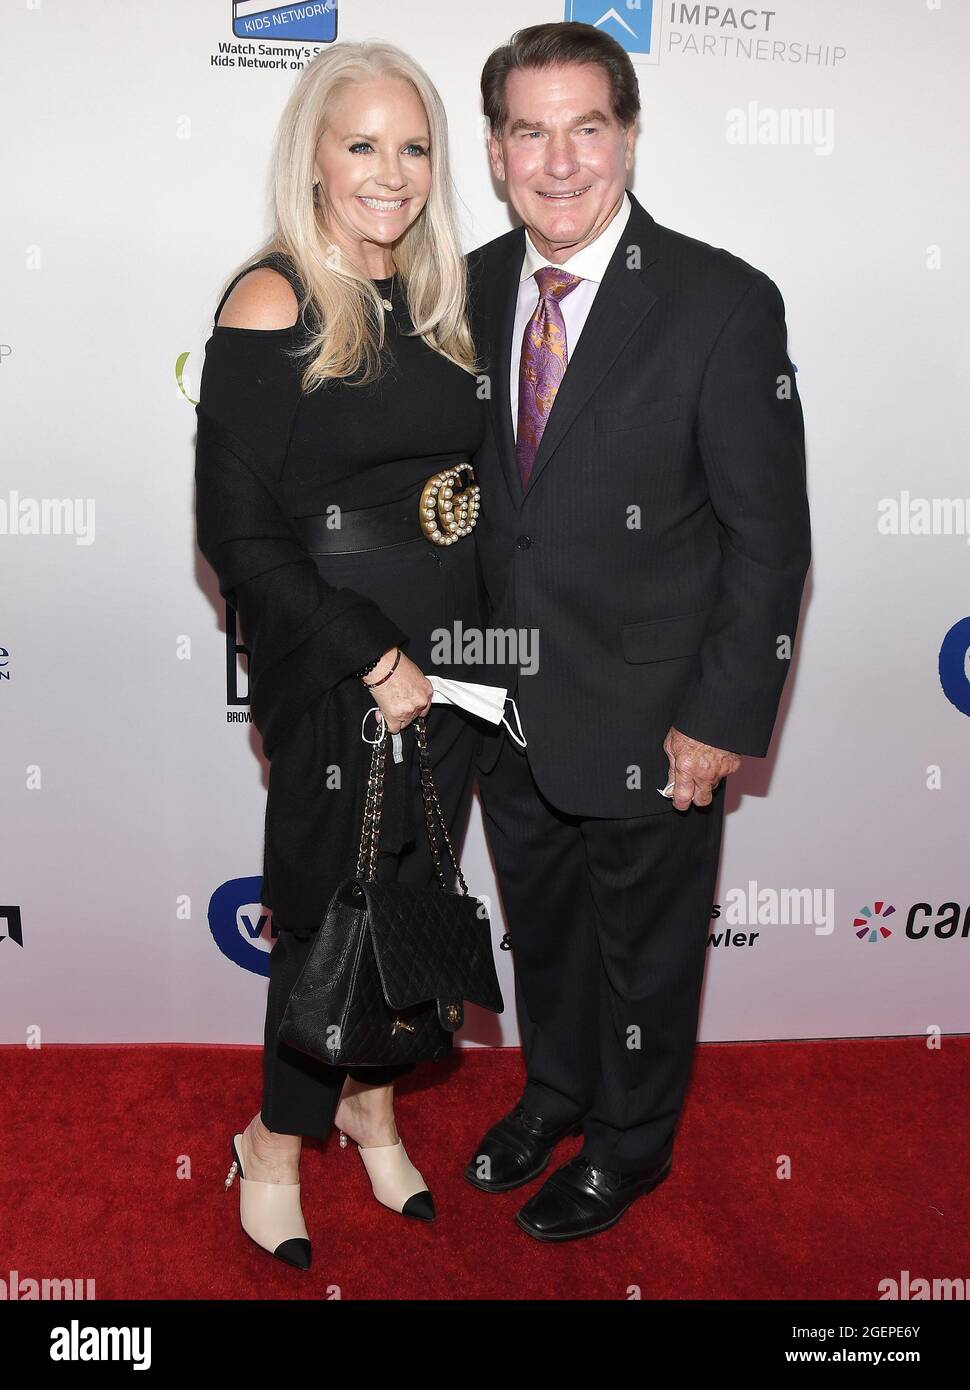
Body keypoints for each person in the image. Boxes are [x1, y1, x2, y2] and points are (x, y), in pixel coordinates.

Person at [464, 22, 812, 1241]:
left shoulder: (721, 302)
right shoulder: (463, 289)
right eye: (530, 132)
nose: (559, 161)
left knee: (645, 956)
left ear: (627, 137)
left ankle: (630, 1142)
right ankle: (555, 1093)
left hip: (656, 718)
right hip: (505, 704)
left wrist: (717, 719)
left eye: (587, 128)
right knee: (546, 932)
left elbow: (769, 541)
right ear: (496, 150)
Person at [194, 40, 486, 1269]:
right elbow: (237, 531)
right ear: (313, 156)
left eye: (412, 147)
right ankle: (272, 1139)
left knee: (404, 897)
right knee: (326, 909)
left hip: (457, 655)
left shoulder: (439, 298)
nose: (390, 172)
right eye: (361, 143)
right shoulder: (274, 299)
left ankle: (370, 1107)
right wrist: (371, 655)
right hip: (340, 662)